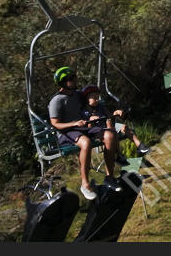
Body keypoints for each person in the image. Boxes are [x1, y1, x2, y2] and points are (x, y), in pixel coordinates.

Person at [47, 65, 119, 201]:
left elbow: (91, 100)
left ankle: (110, 177)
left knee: (109, 134)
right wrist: (74, 123)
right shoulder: (56, 101)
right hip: (67, 132)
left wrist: (97, 113)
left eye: (74, 78)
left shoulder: (77, 95)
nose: (75, 81)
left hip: (84, 128)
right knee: (85, 142)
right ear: (64, 82)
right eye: (72, 79)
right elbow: (55, 123)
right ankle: (85, 184)